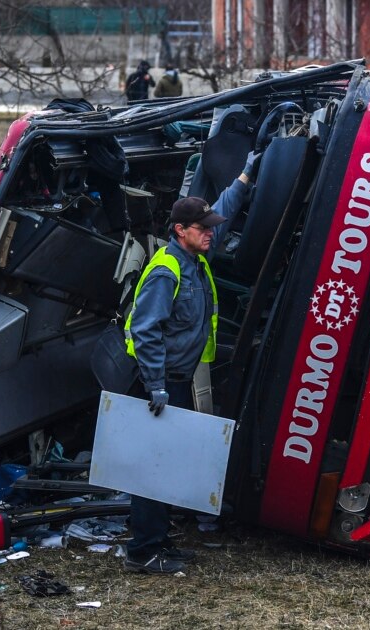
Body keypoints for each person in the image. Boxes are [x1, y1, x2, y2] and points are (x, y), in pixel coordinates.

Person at [121, 150, 261, 574]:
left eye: (210, 229)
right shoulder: (168, 271)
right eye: (203, 229)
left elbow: (223, 213)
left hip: (176, 380)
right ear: (181, 231)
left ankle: (159, 540)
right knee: (152, 466)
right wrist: (156, 385)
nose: (211, 234)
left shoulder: (194, 258)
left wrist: (245, 175)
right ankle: (143, 551)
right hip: (158, 383)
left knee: (166, 463)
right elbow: (145, 330)